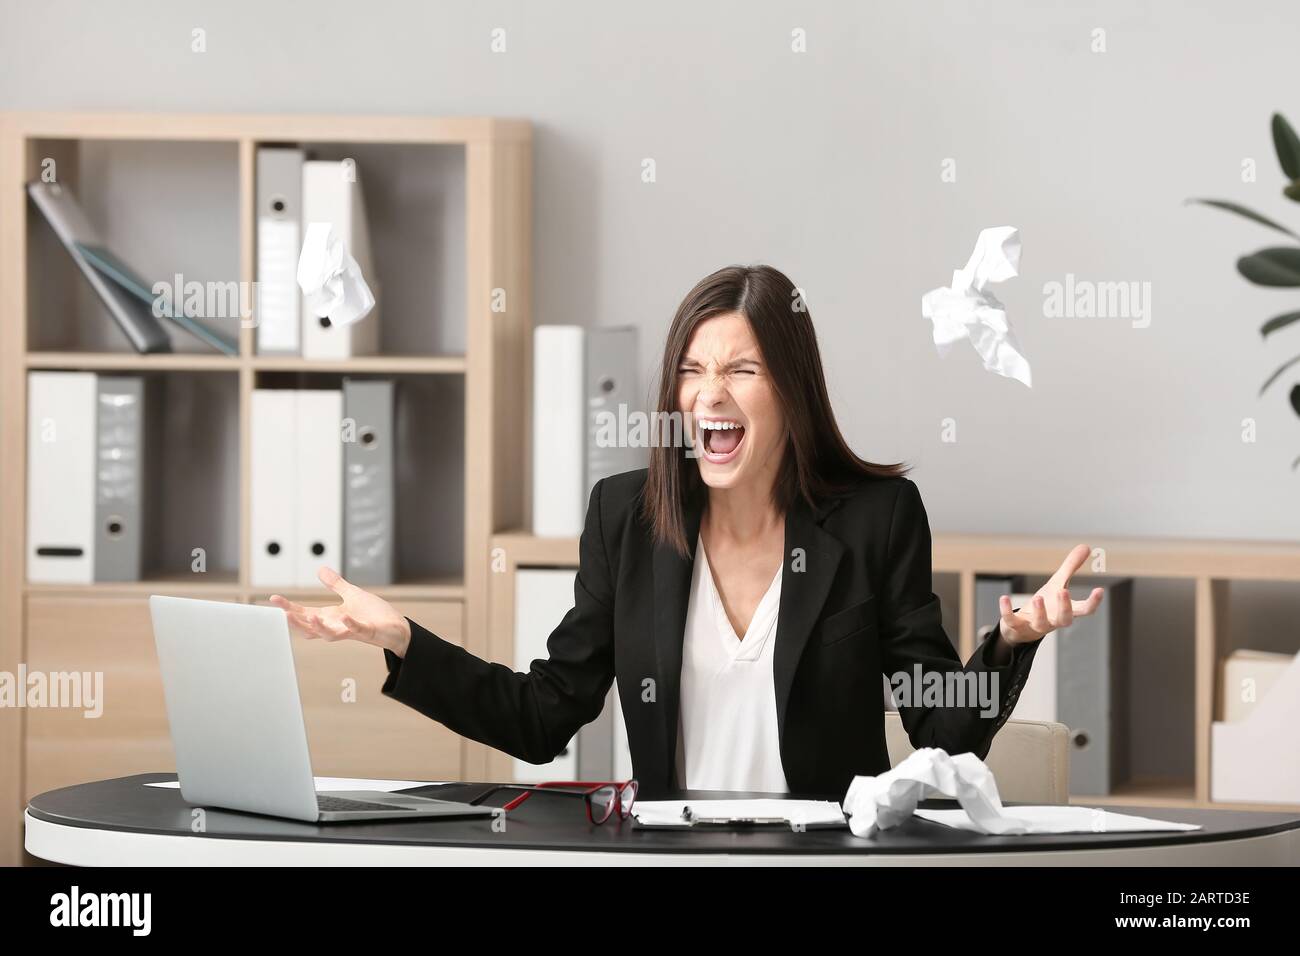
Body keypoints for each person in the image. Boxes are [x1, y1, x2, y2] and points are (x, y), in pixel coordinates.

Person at [271, 264, 1103, 800]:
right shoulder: (625, 521)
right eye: (692, 371)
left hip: (830, 863)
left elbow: (939, 731)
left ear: (792, 394)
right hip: (671, 855)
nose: (711, 394)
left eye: (742, 371)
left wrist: (1012, 640)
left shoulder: (877, 521)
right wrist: (404, 640)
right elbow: (543, 715)